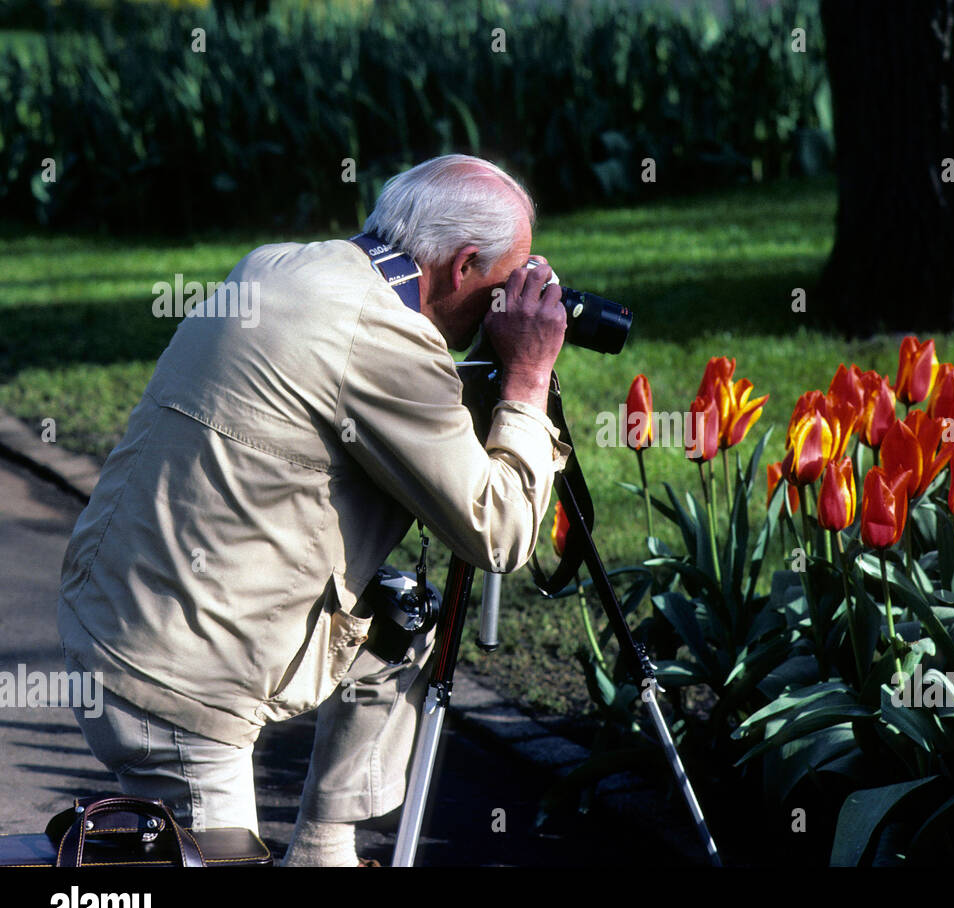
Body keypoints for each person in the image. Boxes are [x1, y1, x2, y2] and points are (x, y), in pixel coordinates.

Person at [57, 154, 570, 866]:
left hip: (104, 613)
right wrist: (528, 377)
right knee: (219, 862)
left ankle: (325, 846)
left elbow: (345, 389)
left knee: (398, 622)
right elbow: (503, 532)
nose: (509, 301)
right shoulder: (386, 340)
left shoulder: (276, 266)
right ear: (462, 267)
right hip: (174, 691)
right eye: (504, 280)